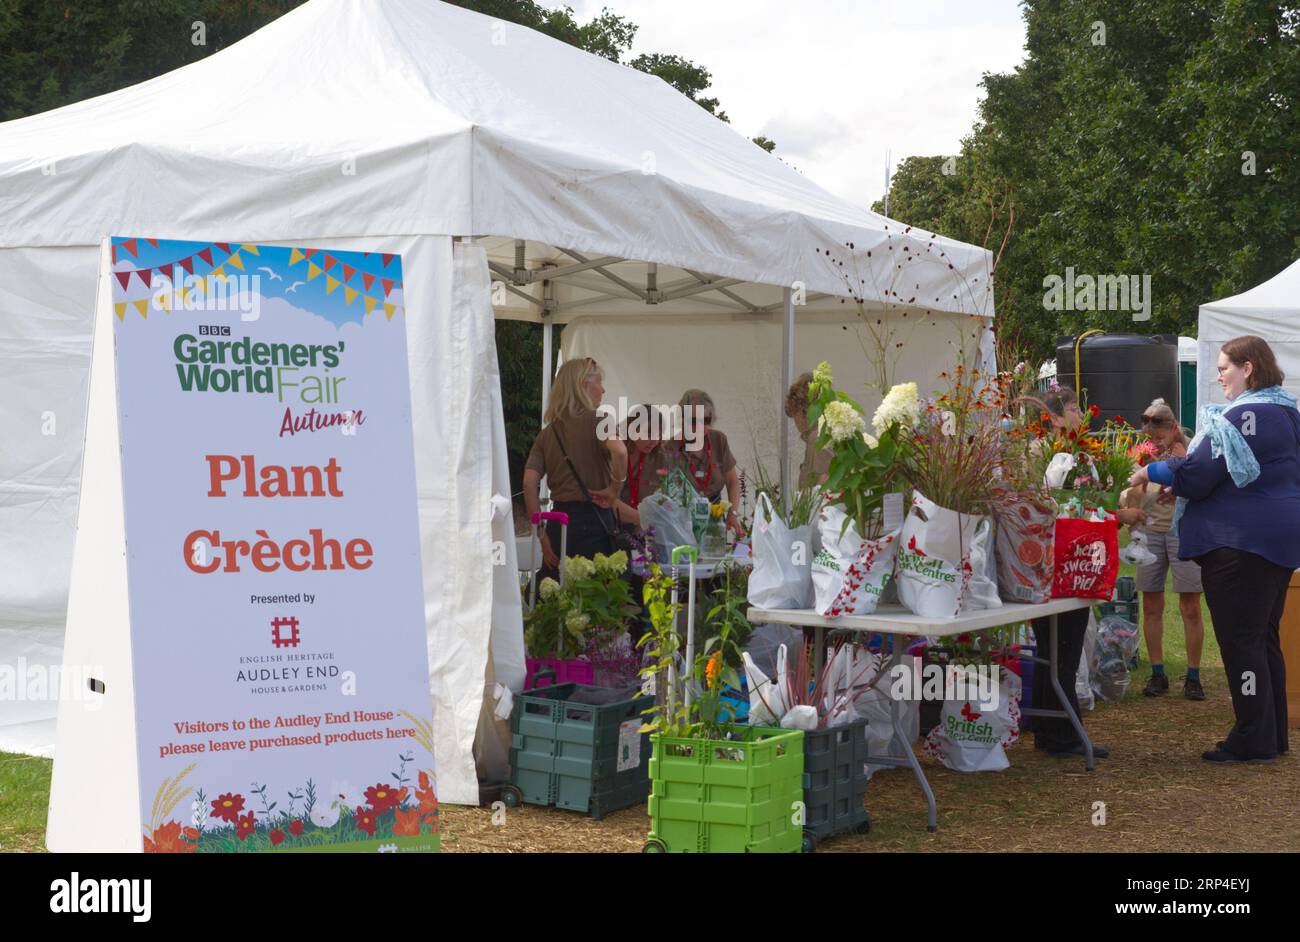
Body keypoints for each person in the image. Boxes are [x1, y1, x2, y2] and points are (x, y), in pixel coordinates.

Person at [1130, 336, 1300, 763]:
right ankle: (1271, 733)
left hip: (1238, 544)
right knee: (1262, 640)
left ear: (1249, 368)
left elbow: (1201, 471)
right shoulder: (1286, 412)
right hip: (1274, 541)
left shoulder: (1243, 415)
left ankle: (1250, 736)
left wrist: (1149, 470)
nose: (1220, 374)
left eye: (1225, 367)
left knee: (1242, 644)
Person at [1029, 386, 1110, 758]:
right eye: (1075, 408)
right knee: (1060, 645)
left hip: (1057, 559)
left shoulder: (1075, 454)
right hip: (1058, 560)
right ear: (1056, 418)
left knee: (1056, 648)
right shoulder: (1046, 455)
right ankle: (1062, 734)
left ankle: (1052, 730)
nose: (1081, 414)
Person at [1115, 398, 1206, 700]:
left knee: (1190, 606)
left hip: (1183, 531)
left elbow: (1203, 484)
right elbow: (1126, 489)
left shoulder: (1193, 450)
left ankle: (1193, 676)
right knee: (1152, 605)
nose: (1154, 442)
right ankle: (1157, 673)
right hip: (1149, 532)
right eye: (1149, 437)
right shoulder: (1141, 455)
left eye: (1160, 436)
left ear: (1174, 428)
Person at [522, 358, 627, 577]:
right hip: (595, 520)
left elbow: (529, 483)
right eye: (599, 381)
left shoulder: (547, 434)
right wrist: (614, 489)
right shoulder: (600, 420)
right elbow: (620, 451)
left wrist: (542, 536)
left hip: (558, 522)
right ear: (583, 384)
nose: (603, 389)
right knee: (598, 596)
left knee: (562, 597)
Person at [671, 389, 743, 536]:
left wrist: (733, 514)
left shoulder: (719, 440)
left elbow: (732, 482)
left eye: (706, 420)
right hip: (683, 522)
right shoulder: (670, 448)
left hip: (715, 519)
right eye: (693, 421)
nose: (699, 427)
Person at [612, 403, 668, 528]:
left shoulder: (660, 456)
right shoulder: (616, 451)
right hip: (613, 527)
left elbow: (665, 497)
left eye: (658, 435)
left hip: (644, 529)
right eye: (648, 433)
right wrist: (645, 519)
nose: (654, 441)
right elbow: (609, 501)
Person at [786, 372, 832, 489]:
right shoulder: (821, 434)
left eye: (794, 412)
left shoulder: (817, 438)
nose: (795, 420)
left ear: (802, 411)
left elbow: (823, 486)